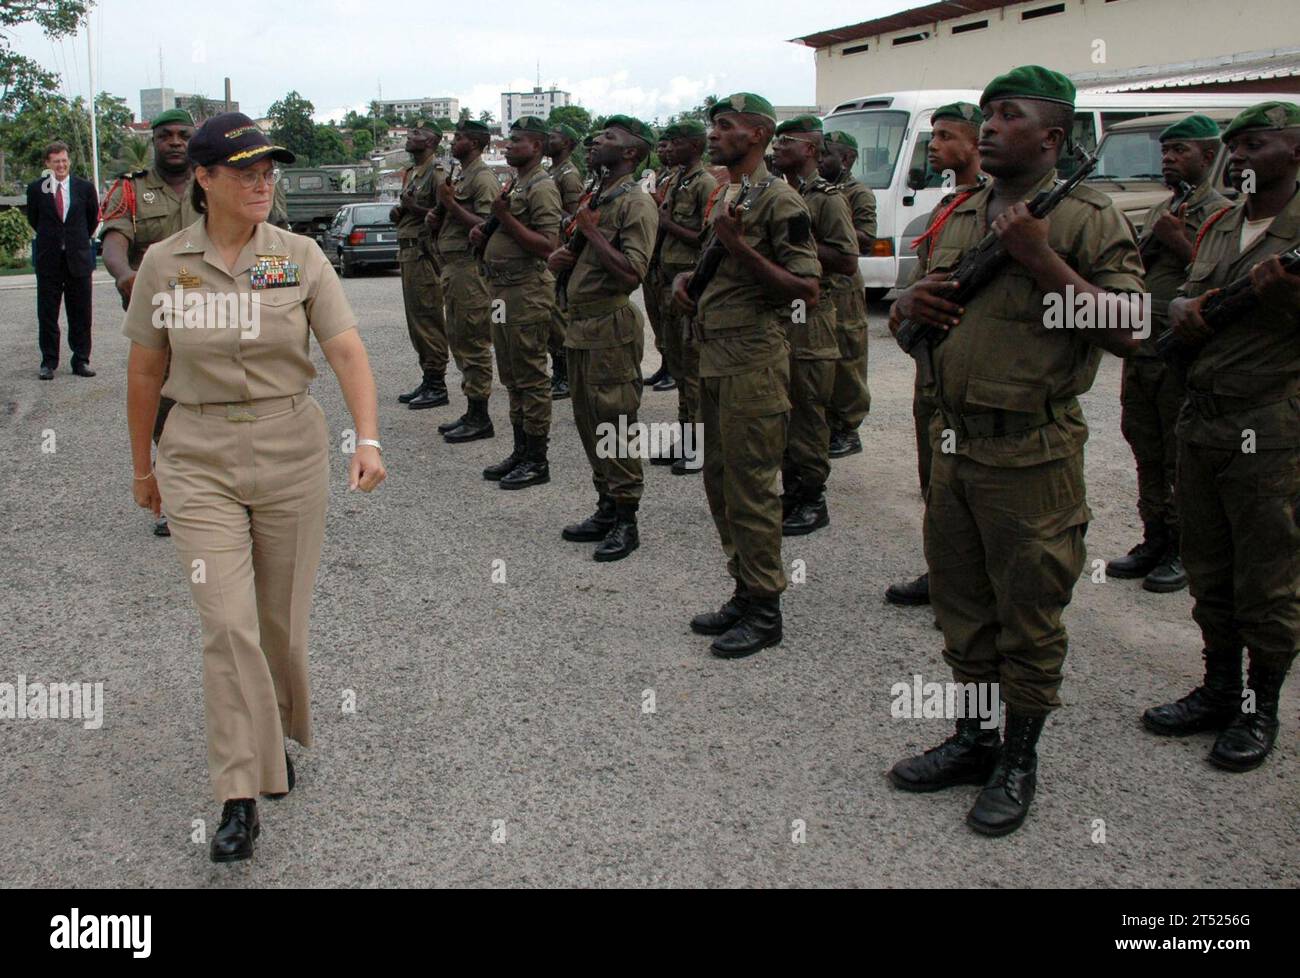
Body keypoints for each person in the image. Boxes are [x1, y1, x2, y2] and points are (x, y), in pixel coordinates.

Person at [885, 68, 1144, 836]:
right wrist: (908, 307)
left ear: (1053, 138)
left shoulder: (1089, 219)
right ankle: (973, 737)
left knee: (1028, 618)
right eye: (985, 116)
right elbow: (915, 319)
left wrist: (1040, 258)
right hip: (954, 447)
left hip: (1031, 457)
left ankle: (1018, 759)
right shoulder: (962, 210)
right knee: (964, 609)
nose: (988, 127)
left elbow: (1132, 330)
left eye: (1008, 115)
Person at [122, 113, 386, 863]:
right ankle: (240, 791)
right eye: (245, 171)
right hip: (197, 455)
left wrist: (366, 437)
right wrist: (144, 469)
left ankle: (271, 733)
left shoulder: (299, 257)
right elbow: (145, 372)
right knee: (228, 625)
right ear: (203, 179)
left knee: (279, 629)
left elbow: (344, 348)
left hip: (289, 451)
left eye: (268, 169)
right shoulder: (163, 265)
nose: (262, 181)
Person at [1143, 101, 1300, 772]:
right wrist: (1182, 308)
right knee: (1209, 565)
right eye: (1233, 146)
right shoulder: (1222, 223)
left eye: (1255, 143)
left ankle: (1260, 709)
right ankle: (1217, 688)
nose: (1239, 156)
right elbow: (1187, 298)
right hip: (1200, 417)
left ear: (1295, 151)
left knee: (1266, 573)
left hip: (1268, 424)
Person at [671, 93, 820, 657]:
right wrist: (691, 281)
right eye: (713, 124)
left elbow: (805, 288)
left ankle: (766, 609)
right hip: (714, 357)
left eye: (727, 126)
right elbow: (721, 265)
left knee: (752, 489)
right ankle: (744, 587)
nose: (715, 134)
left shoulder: (779, 200)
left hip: (753, 363)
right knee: (720, 482)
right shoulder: (732, 191)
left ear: (758, 134)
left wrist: (737, 246)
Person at [1107, 114, 1226, 594]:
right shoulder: (1164, 208)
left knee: (1179, 455)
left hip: (1181, 355)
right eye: (1166, 152)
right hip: (1144, 349)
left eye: (1181, 152)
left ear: (1209, 156)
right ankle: (1153, 538)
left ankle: (1182, 548)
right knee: (1145, 446)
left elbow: (1226, 283)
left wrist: (1180, 241)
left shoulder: (1220, 214)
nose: (1170, 160)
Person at [885, 102, 984, 609]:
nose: (936, 145)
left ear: (975, 142)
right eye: (934, 136)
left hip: (980, 373)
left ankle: (974, 586)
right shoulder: (946, 207)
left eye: (946, 136)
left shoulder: (996, 209)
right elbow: (917, 281)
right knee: (936, 479)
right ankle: (943, 570)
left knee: (977, 490)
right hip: (935, 373)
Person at [550, 115, 659, 561]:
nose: (596, 140)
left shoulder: (636, 203)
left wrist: (591, 231)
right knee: (588, 423)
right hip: (580, 327)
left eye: (609, 137)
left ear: (631, 153)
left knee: (615, 425)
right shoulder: (597, 194)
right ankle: (606, 505)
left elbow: (633, 272)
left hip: (610, 328)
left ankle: (627, 519)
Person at [100, 108, 199, 537]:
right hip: (159, 315)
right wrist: (124, 275)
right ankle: (172, 498)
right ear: (153, 142)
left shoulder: (215, 182)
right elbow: (114, 242)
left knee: (218, 398)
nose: (175, 142)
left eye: (183, 135)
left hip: (214, 313)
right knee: (162, 406)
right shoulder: (131, 189)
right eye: (165, 135)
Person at [771, 115, 859, 537]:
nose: (776, 147)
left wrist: (793, 244)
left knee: (807, 407)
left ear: (809, 148)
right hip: (782, 314)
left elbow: (846, 259)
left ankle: (811, 498)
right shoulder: (777, 192)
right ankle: (792, 489)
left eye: (785, 141)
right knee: (784, 405)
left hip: (812, 314)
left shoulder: (826, 199)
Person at [474, 116, 562, 490]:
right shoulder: (517, 183)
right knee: (510, 373)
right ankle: (520, 449)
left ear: (537, 148)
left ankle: (537, 458)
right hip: (501, 294)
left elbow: (548, 245)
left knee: (530, 375)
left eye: (517, 142)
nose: (508, 147)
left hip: (526, 292)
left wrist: (505, 219)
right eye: (508, 142)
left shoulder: (542, 187)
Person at [650, 119, 717, 474]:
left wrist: (667, 225)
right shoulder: (679, 179)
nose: (668, 148)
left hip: (689, 287)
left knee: (693, 370)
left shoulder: (705, 183)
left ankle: (699, 445)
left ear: (694, 145)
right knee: (678, 366)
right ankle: (685, 437)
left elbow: (706, 240)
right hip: (668, 284)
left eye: (675, 142)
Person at [428, 119, 499, 443]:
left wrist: (450, 205)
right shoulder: (462, 174)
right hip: (454, 268)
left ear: (473, 142)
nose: (453, 141)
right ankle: (472, 410)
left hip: (470, 270)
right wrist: (439, 214)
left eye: (458, 137)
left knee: (473, 341)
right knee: (458, 338)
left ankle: (481, 415)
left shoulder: (482, 177)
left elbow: (488, 226)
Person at [819, 129, 877, 460]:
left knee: (848, 355)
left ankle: (848, 428)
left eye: (827, 155)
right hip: (821, 284)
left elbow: (866, 239)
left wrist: (830, 231)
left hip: (844, 286)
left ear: (846, 159)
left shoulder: (858, 193)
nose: (821, 160)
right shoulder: (815, 190)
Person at [27, 141, 99, 380]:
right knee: (47, 313)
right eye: (56, 161)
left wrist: (74, 241)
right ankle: (48, 362)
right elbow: (34, 220)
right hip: (49, 261)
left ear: (69, 161)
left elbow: (92, 220)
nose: (61, 165)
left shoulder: (85, 188)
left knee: (81, 313)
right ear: (48, 163)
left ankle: (81, 360)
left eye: (64, 160)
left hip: (78, 259)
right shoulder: (37, 189)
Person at [393, 127, 451, 411]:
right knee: (416, 322)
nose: (409, 136)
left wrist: (413, 208)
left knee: (428, 319)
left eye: (416, 133)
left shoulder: (436, 173)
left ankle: (437, 384)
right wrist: (401, 212)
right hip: (409, 253)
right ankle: (428, 378)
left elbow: (444, 216)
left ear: (430, 141)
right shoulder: (413, 172)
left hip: (424, 254)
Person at [547, 123, 586, 400]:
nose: (548, 140)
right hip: (549, 253)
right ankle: (559, 371)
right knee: (551, 317)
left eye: (554, 137)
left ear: (568, 144)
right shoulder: (552, 172)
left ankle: (565, 375)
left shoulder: (569, 175)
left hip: (561, 251)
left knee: (559, 317)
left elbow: (574, 219)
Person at [642, 133, 673, 392]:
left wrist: (653, 198)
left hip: (675, 264)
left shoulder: (696, 181)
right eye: (661, 146)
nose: (663, 150)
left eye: (667, 146)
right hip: (655, 258)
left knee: (671, 320)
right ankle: (665, 364)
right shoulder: (662, 176)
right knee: (658, 318)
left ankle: (673, 369)